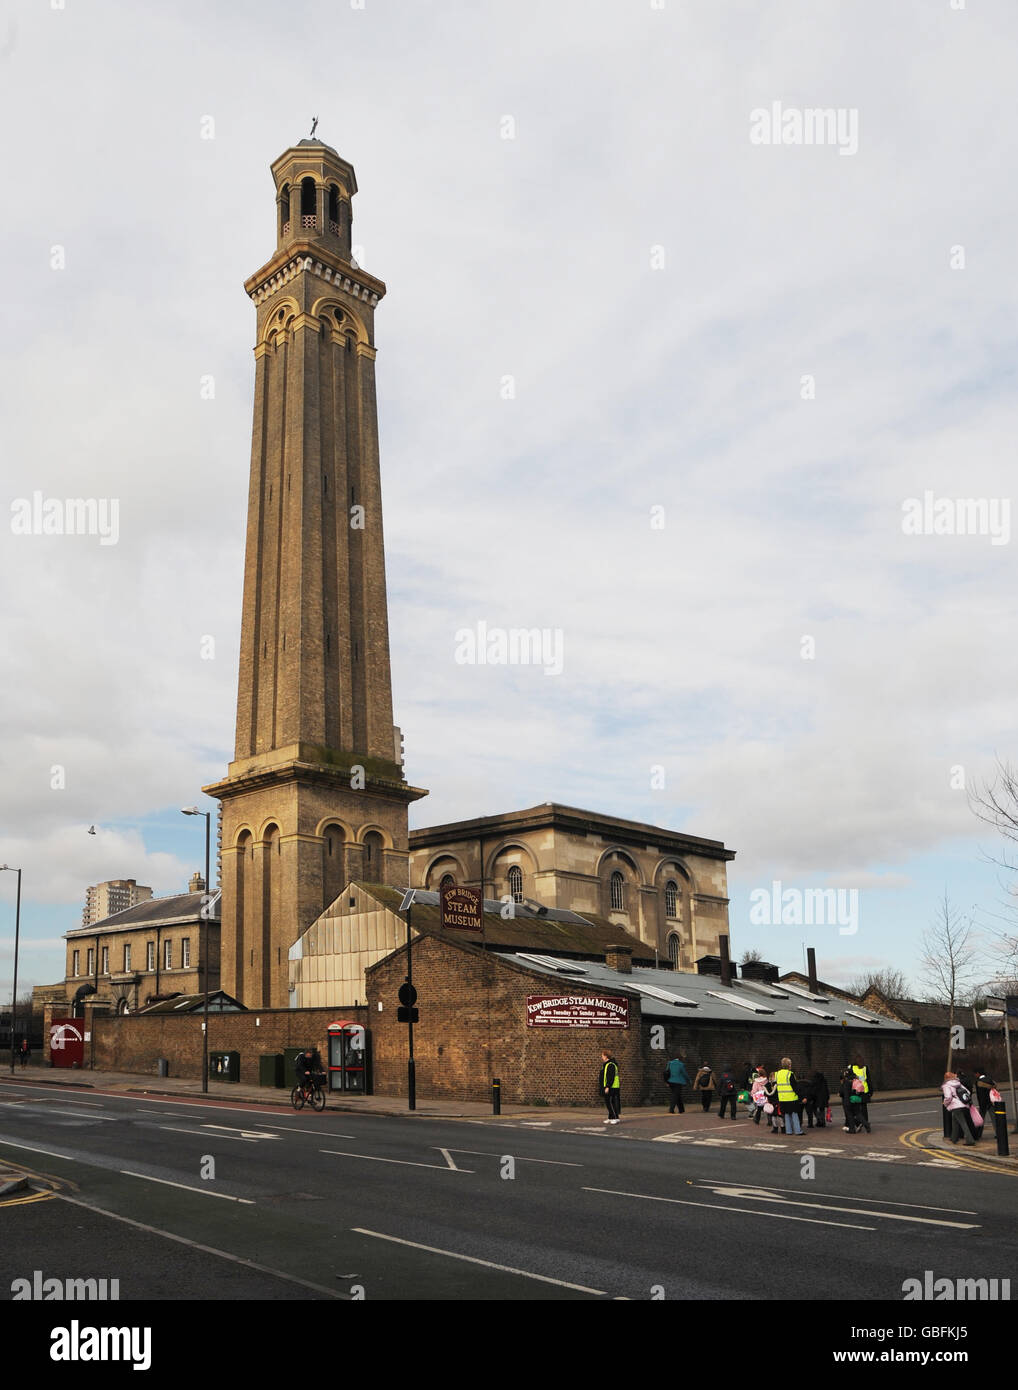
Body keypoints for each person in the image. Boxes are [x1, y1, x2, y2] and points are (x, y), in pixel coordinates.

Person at [942, 1071, 976, 1145]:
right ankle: (954, 1138)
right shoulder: (958, 1083)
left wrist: (945, 1103)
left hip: (956, 1106)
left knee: (963, 1123)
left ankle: (970, 1140)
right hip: (964, 1104)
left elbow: (948, 1097)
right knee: (955, 1122)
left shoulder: (946, 1085)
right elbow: (968, 1092)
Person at [775, 1057, 802, 1135]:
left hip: (782, 1098)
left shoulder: (778, 1074)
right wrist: (801, 1096)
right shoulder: (790, 1074)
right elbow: (795, 1087)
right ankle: (797, 1131)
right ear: (789, 1065)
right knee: (794, 1114)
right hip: (791, 1098)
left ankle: (789, 1131)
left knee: (786, 1115)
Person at [851, 1056, 872, 1133]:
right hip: (860, 1091)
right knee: (860, 1108)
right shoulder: (855, 1067)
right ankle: (863, 1123)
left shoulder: (864, 1068)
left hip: (860, 1091)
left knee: (860, 1109)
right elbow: (868, 1080)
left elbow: (868, 1080)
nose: (862, 1062)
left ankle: (862, 1123)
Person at [601, 1050, 621, 1124]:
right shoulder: (608, 1064)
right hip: (613, 1086)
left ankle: (614, 1118)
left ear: (606, 1056)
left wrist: (607, 1086)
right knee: (611, 1102)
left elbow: (610, 1077)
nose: (601, 1057)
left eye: (602, 1055)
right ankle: (611, 1117)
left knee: (610, 1103)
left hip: (612, 1087)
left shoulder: (610, 1065)